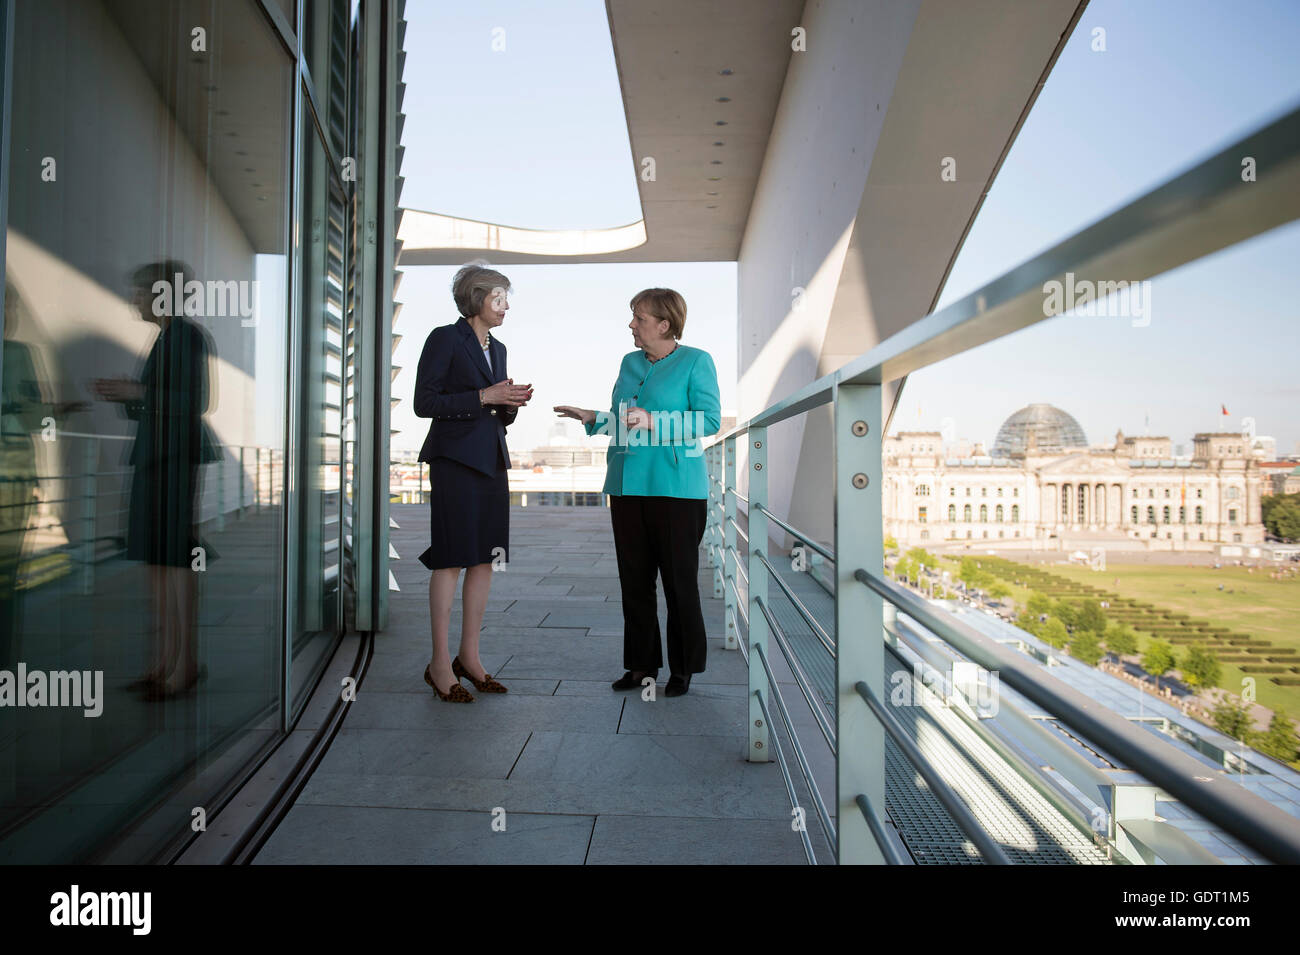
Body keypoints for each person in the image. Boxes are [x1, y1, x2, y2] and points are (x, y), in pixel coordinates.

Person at [555, 288, 720, 697]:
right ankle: (640, 666)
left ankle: (682, 669)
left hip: (677, 490)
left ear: (665, 324)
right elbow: (625, 420)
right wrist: (595, 418)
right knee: (635, 581)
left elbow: (709, 420)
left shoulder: (697, 361)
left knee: (679, 583)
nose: (632, 325)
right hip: (627, 486)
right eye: (633, 317)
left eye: (639, 318)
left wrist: (654, 420)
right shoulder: (630, 362)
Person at [93, 260, 220, 701]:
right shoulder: (169, 337)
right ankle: (165, 662)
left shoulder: (186, 336)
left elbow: (195, 402)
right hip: (158, 457)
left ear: (163, 293)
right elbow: (165, 401)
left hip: (172, 458)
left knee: (172, 557)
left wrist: (137, 393)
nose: (134, 299)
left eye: (140, 291)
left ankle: (181, 666)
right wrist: (130, 394)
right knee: (157, 559)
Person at [414, 263, 532, 702]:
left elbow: (496, 412)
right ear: (476, 297)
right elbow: (424, 403)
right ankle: (439, 664)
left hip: (491, 461)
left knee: (484, 559)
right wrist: (485, 396)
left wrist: (510, 402)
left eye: (507, 298)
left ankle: (471, 657)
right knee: (451, 559)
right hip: (453, 461)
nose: (505, 306)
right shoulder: (445, 338)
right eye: (498, 297)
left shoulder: (496, 347)